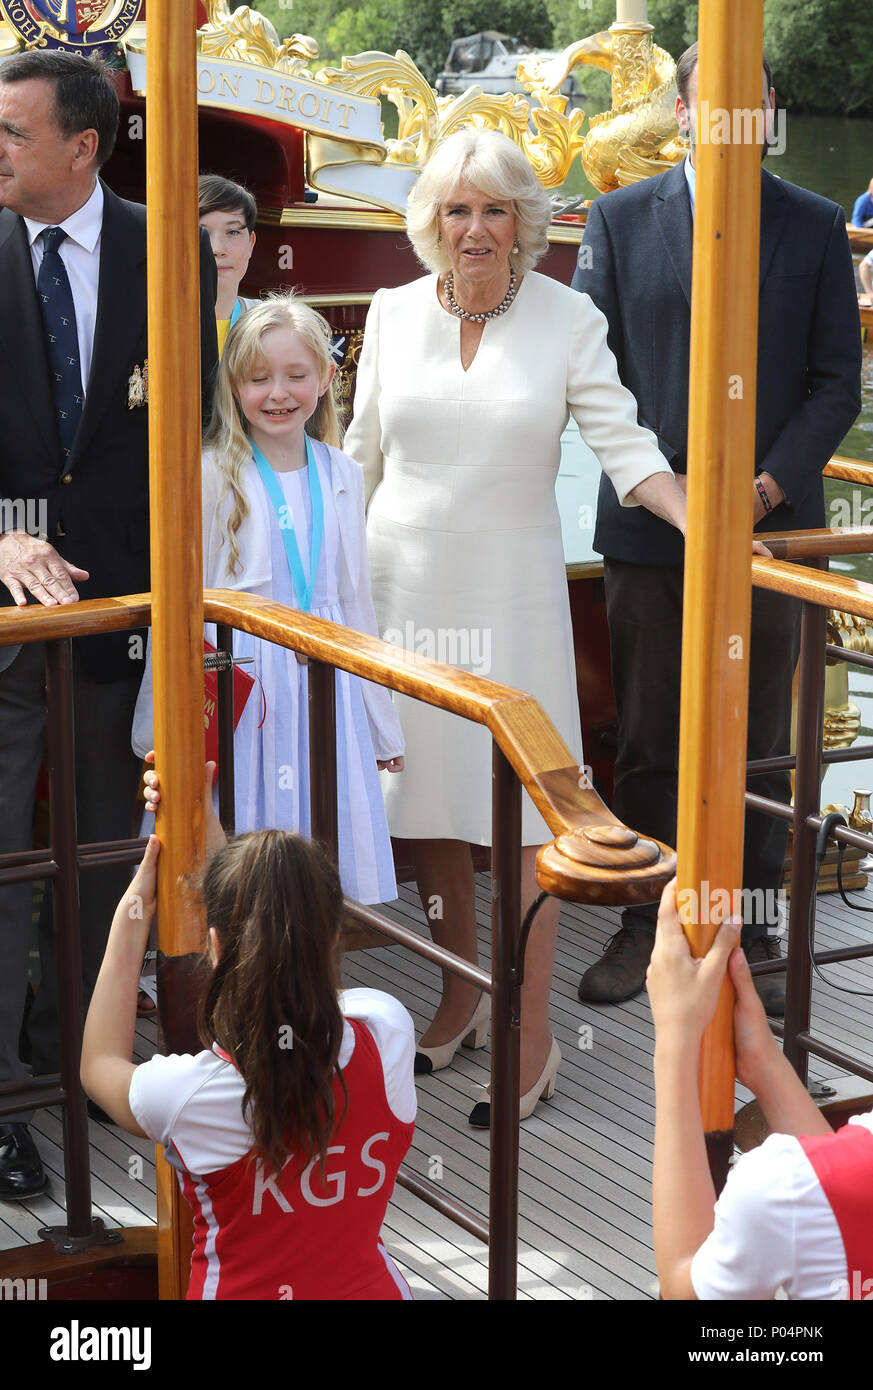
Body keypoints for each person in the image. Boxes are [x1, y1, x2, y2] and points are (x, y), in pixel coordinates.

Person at [344, 128, 689, 1128]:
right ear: (431, 222)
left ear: (526, 222)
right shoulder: (392, 310)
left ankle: (530, 1034)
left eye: (496, 209)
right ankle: (461, 994)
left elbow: (627, 446)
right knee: (433, 810)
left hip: (512, 603)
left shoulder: (569, 317)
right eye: (458, 209)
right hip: (398, 590)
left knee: (528, 827)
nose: (477, 228)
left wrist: (701, 526)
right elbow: (358, 459)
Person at [572, 42, 862, 1014]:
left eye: (760, 98)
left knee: (764, 741)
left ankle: (756, 931)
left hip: (773, 539)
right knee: (651, 736)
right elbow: (592, 377)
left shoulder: (819, 226)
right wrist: (670, 489)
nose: (743, 113)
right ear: (687, 112)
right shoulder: (615, 220)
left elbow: (836, 383)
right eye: (722, 98)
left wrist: (763, 491)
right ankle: (646, 921)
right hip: (650, 534)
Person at [0, 50, 218, 1202]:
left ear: (84, 149)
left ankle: (79, 1065)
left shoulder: (165, 245)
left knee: (95, 850)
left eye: (11, 133)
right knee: (1, 854)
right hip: (0, 610)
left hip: (118, 605)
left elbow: (178, 427)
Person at [80, 759, 416, 1300]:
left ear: (213, 945)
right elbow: (281, 954)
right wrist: (200, 818)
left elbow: (98, 1067)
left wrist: (135, 908)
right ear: (333, 936)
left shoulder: (192, 1097)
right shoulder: (388, 1031)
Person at [133, 294, 404, 904]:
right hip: (243, 685)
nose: (278, 393)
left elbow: (356, 603)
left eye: (295, 375)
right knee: (239, 836)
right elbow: (175, 611)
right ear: (234, 385)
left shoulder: (342, 471)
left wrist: (382, 724)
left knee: (314, 841)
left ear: (326, 378)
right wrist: (158, 728)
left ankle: (304, 980)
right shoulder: (206, 474)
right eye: (259, 378)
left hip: (324, 685)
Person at [648, 878, 873, 1300]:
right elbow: (832, 1195)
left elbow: (685, 1288)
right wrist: (765, 1067)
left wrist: (675, 1045)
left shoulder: (777, 1189)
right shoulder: (803, 1189)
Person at [198, 172, 259, 355]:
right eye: (201, 232)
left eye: (232, 232)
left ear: (251, 244)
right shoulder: (149, 327)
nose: (217, 249)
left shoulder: (273, 326)